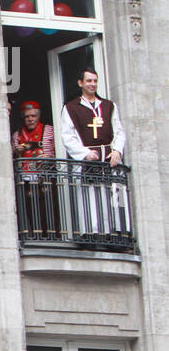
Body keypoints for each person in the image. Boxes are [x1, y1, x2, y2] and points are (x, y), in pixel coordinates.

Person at [58, 68, 128, 239]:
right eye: (89, 81)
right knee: (90, 198)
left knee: (112, 194)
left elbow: (119, 131)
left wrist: (117, 150)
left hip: (108, 158)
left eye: (95, 81)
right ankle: (91, 234)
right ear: (80, 83)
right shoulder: (71, 107)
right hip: (87, 160)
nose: (92, 84)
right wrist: (84, 153)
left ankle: (114, 233)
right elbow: (68, 136)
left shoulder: (108, 105)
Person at [12, 100, 58, 237]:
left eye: (33, 115)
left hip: (45, 177)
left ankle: (52, 236)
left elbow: (57, 150)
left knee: (49, 209)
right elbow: (11, 155)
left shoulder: (49, 130)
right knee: (31, 210)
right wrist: (16, 151)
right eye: (27, 116)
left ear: (38, 116)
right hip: (26, 179)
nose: (30, 119)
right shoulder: (17, 135)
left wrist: (48, 156)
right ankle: (36, 236)